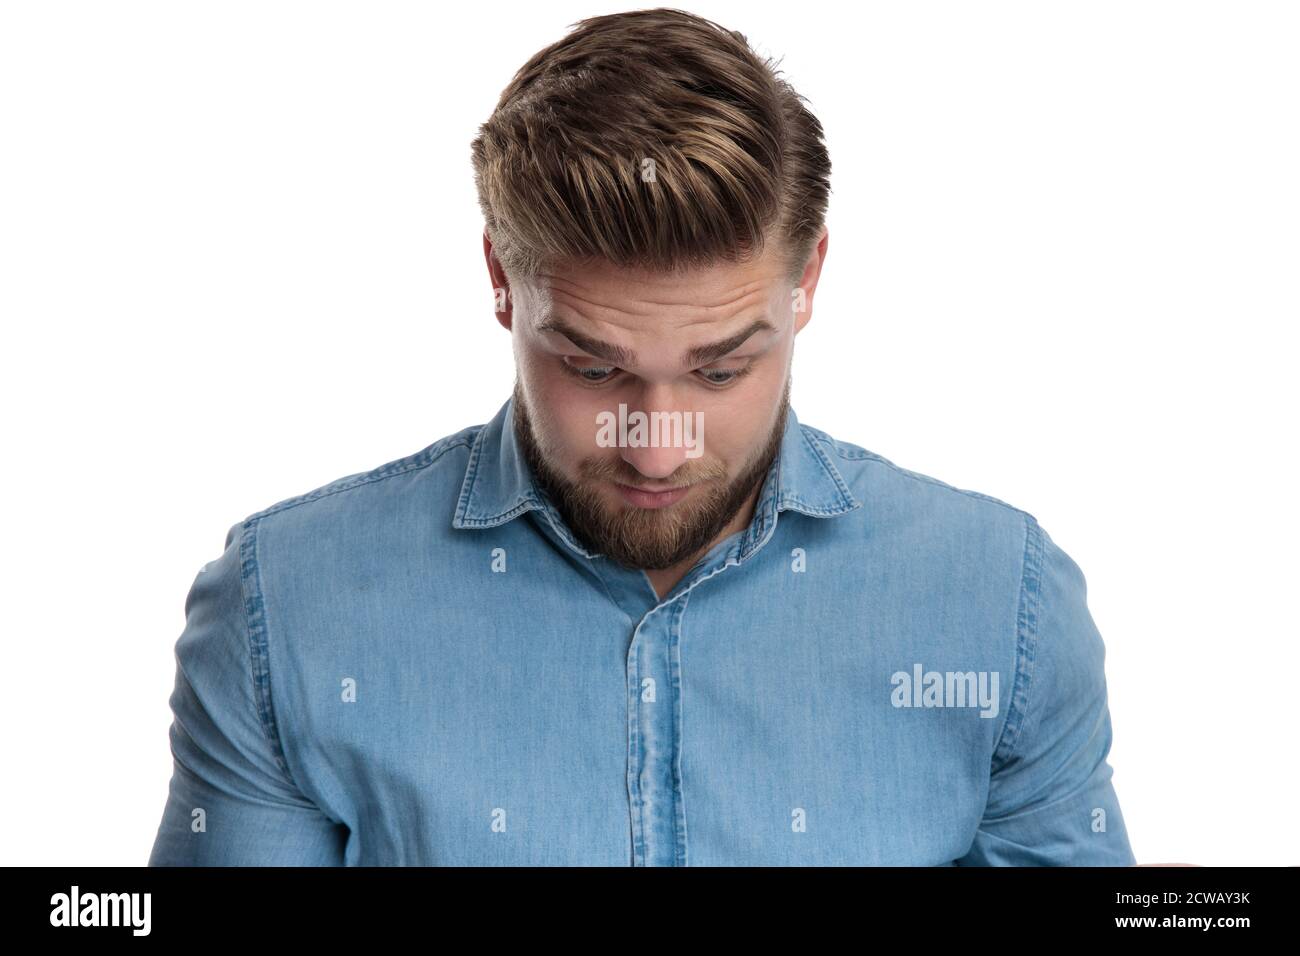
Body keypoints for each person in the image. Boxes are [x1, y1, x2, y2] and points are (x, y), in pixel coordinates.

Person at [148, 7, 1135, 866]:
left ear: (809, 282)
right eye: (592, 366)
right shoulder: (286, 610)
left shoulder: (999, 604)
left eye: (719, 369)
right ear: (500, 276)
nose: (657, 445)